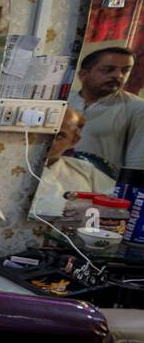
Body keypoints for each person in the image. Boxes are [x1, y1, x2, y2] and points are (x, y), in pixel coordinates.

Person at [67, 46, 144, 175]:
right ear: (84, 75)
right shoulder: (64, 101)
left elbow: (138, 162)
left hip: (100, 187)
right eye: (108, 70)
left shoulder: (136, 108)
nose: (118, 75)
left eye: (125, 71)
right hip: (53, 181)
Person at [29, 107, 117, 218]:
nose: (47, 140)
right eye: (42, 132)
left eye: (59, 136)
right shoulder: (9, 167)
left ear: (73, 141)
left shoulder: (85, 170)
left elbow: (116, 202)